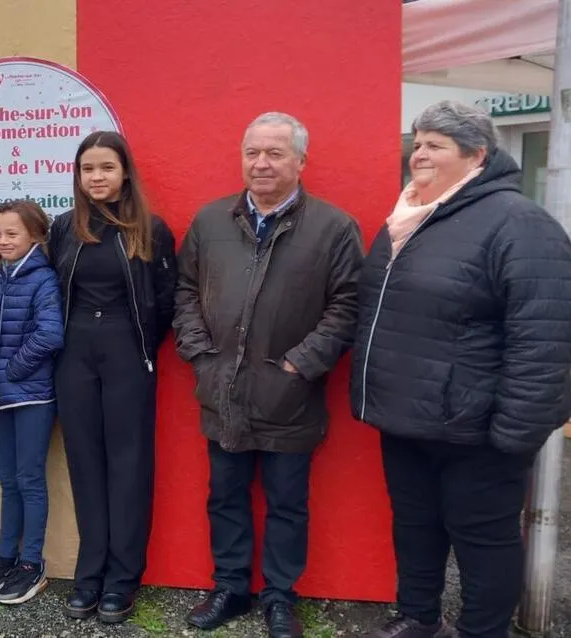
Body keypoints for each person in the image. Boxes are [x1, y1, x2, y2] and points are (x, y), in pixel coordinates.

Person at [352, 100, 571, 638]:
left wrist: (516, 433)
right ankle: (419, 616)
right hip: (407, 416)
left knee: (484, 539)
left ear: (476, 155)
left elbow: (545, 340)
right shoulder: (410, 215)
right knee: (416, 526)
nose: (418, 154)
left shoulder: (520, 224)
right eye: (418, 142)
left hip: (476, 429)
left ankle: (482, 630)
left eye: (435, 145)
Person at [173, 112, 363, 638]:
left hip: (290, 396)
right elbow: (184, 291)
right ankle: (231, 588)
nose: (261, 163)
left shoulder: (334, 227)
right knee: (225, 497)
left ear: (301, 162)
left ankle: (280, 596)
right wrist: (200, 354)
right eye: (252, 152)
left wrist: (301, 363)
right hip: (222, 390)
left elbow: (348, 305)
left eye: (275, 153)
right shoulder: (211, 222)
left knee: (287, 503)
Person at [47, 130, 178, 624]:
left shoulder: (150, 228)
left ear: (125, 172)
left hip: (128, 353)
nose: (96, 177)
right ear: (77, 177)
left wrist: (140, 347)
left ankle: (122, 580)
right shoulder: (64, 227)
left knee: (128, 467)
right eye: (87, 169)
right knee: (84, 465)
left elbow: (166, 298)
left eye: (106, 167)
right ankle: (89, 575)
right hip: (75, 355)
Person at [0, 200, 65, 605]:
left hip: (32, 397)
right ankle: (5, 555)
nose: (3, 240)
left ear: (35, 236)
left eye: (12, 233)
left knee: (29, 480)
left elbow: (51, 334)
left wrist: (11, 369)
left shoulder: (43, 279)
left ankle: (31, 563)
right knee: (8, 481)